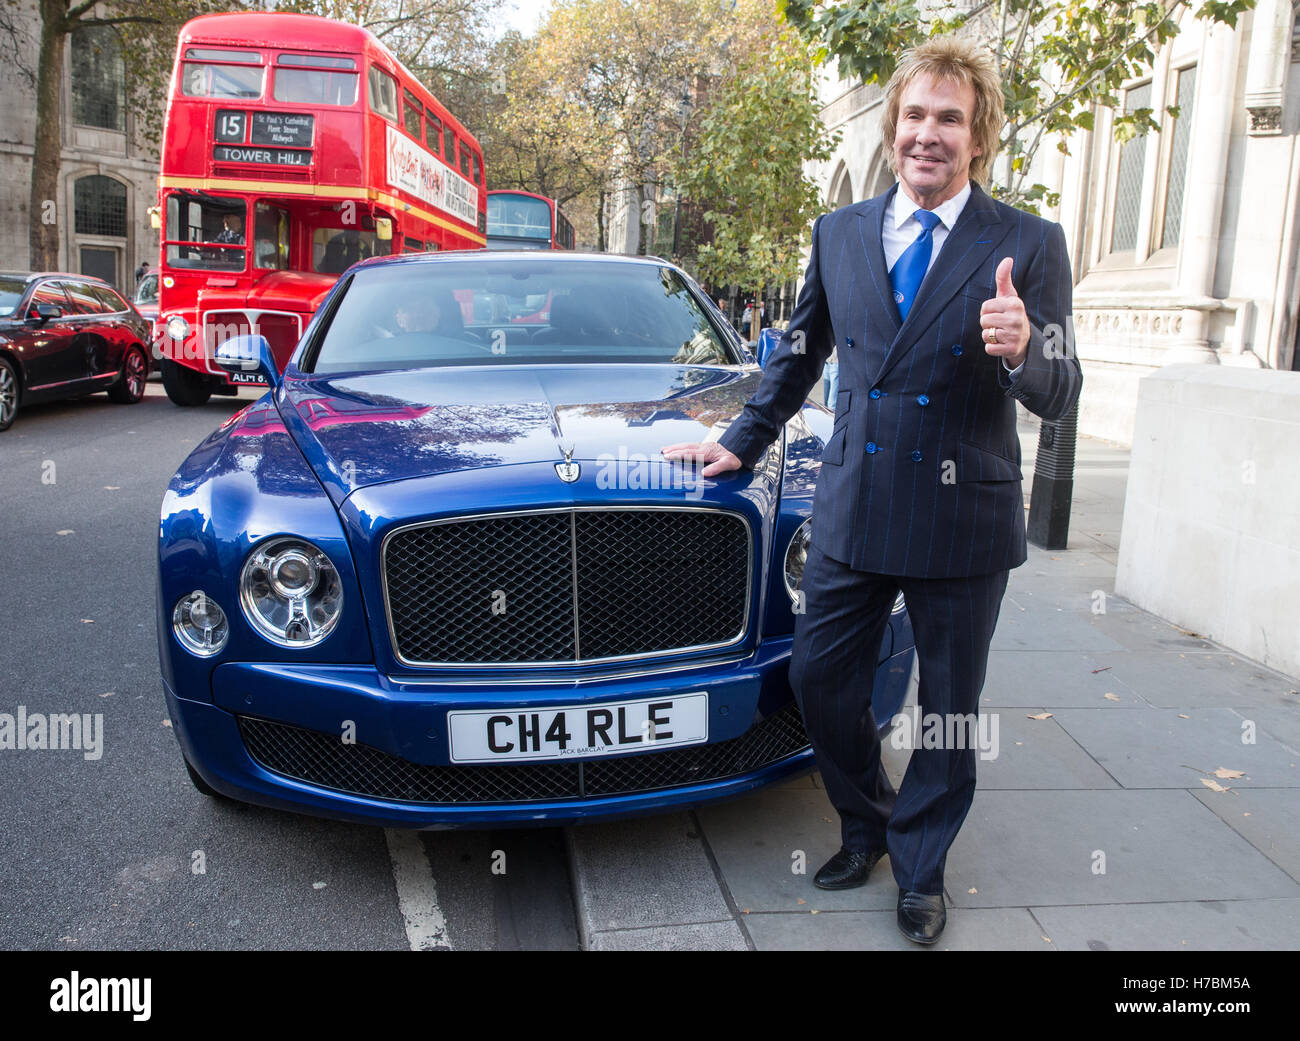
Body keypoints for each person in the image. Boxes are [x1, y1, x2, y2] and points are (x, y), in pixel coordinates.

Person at [662, 36, 1081, 944]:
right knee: (818, 675)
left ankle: (922, 865)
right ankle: (869, 820)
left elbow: (1063, 385)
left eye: (952, 120)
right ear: (895, 127)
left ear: (980, 139)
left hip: (962, 513)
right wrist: (741, 440)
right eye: (917, 116)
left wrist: (1026, 350)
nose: (929, 135)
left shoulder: (1026, 242)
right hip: (855, 498)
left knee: (950, 709)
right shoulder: (841, 231)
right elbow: (799, 351)